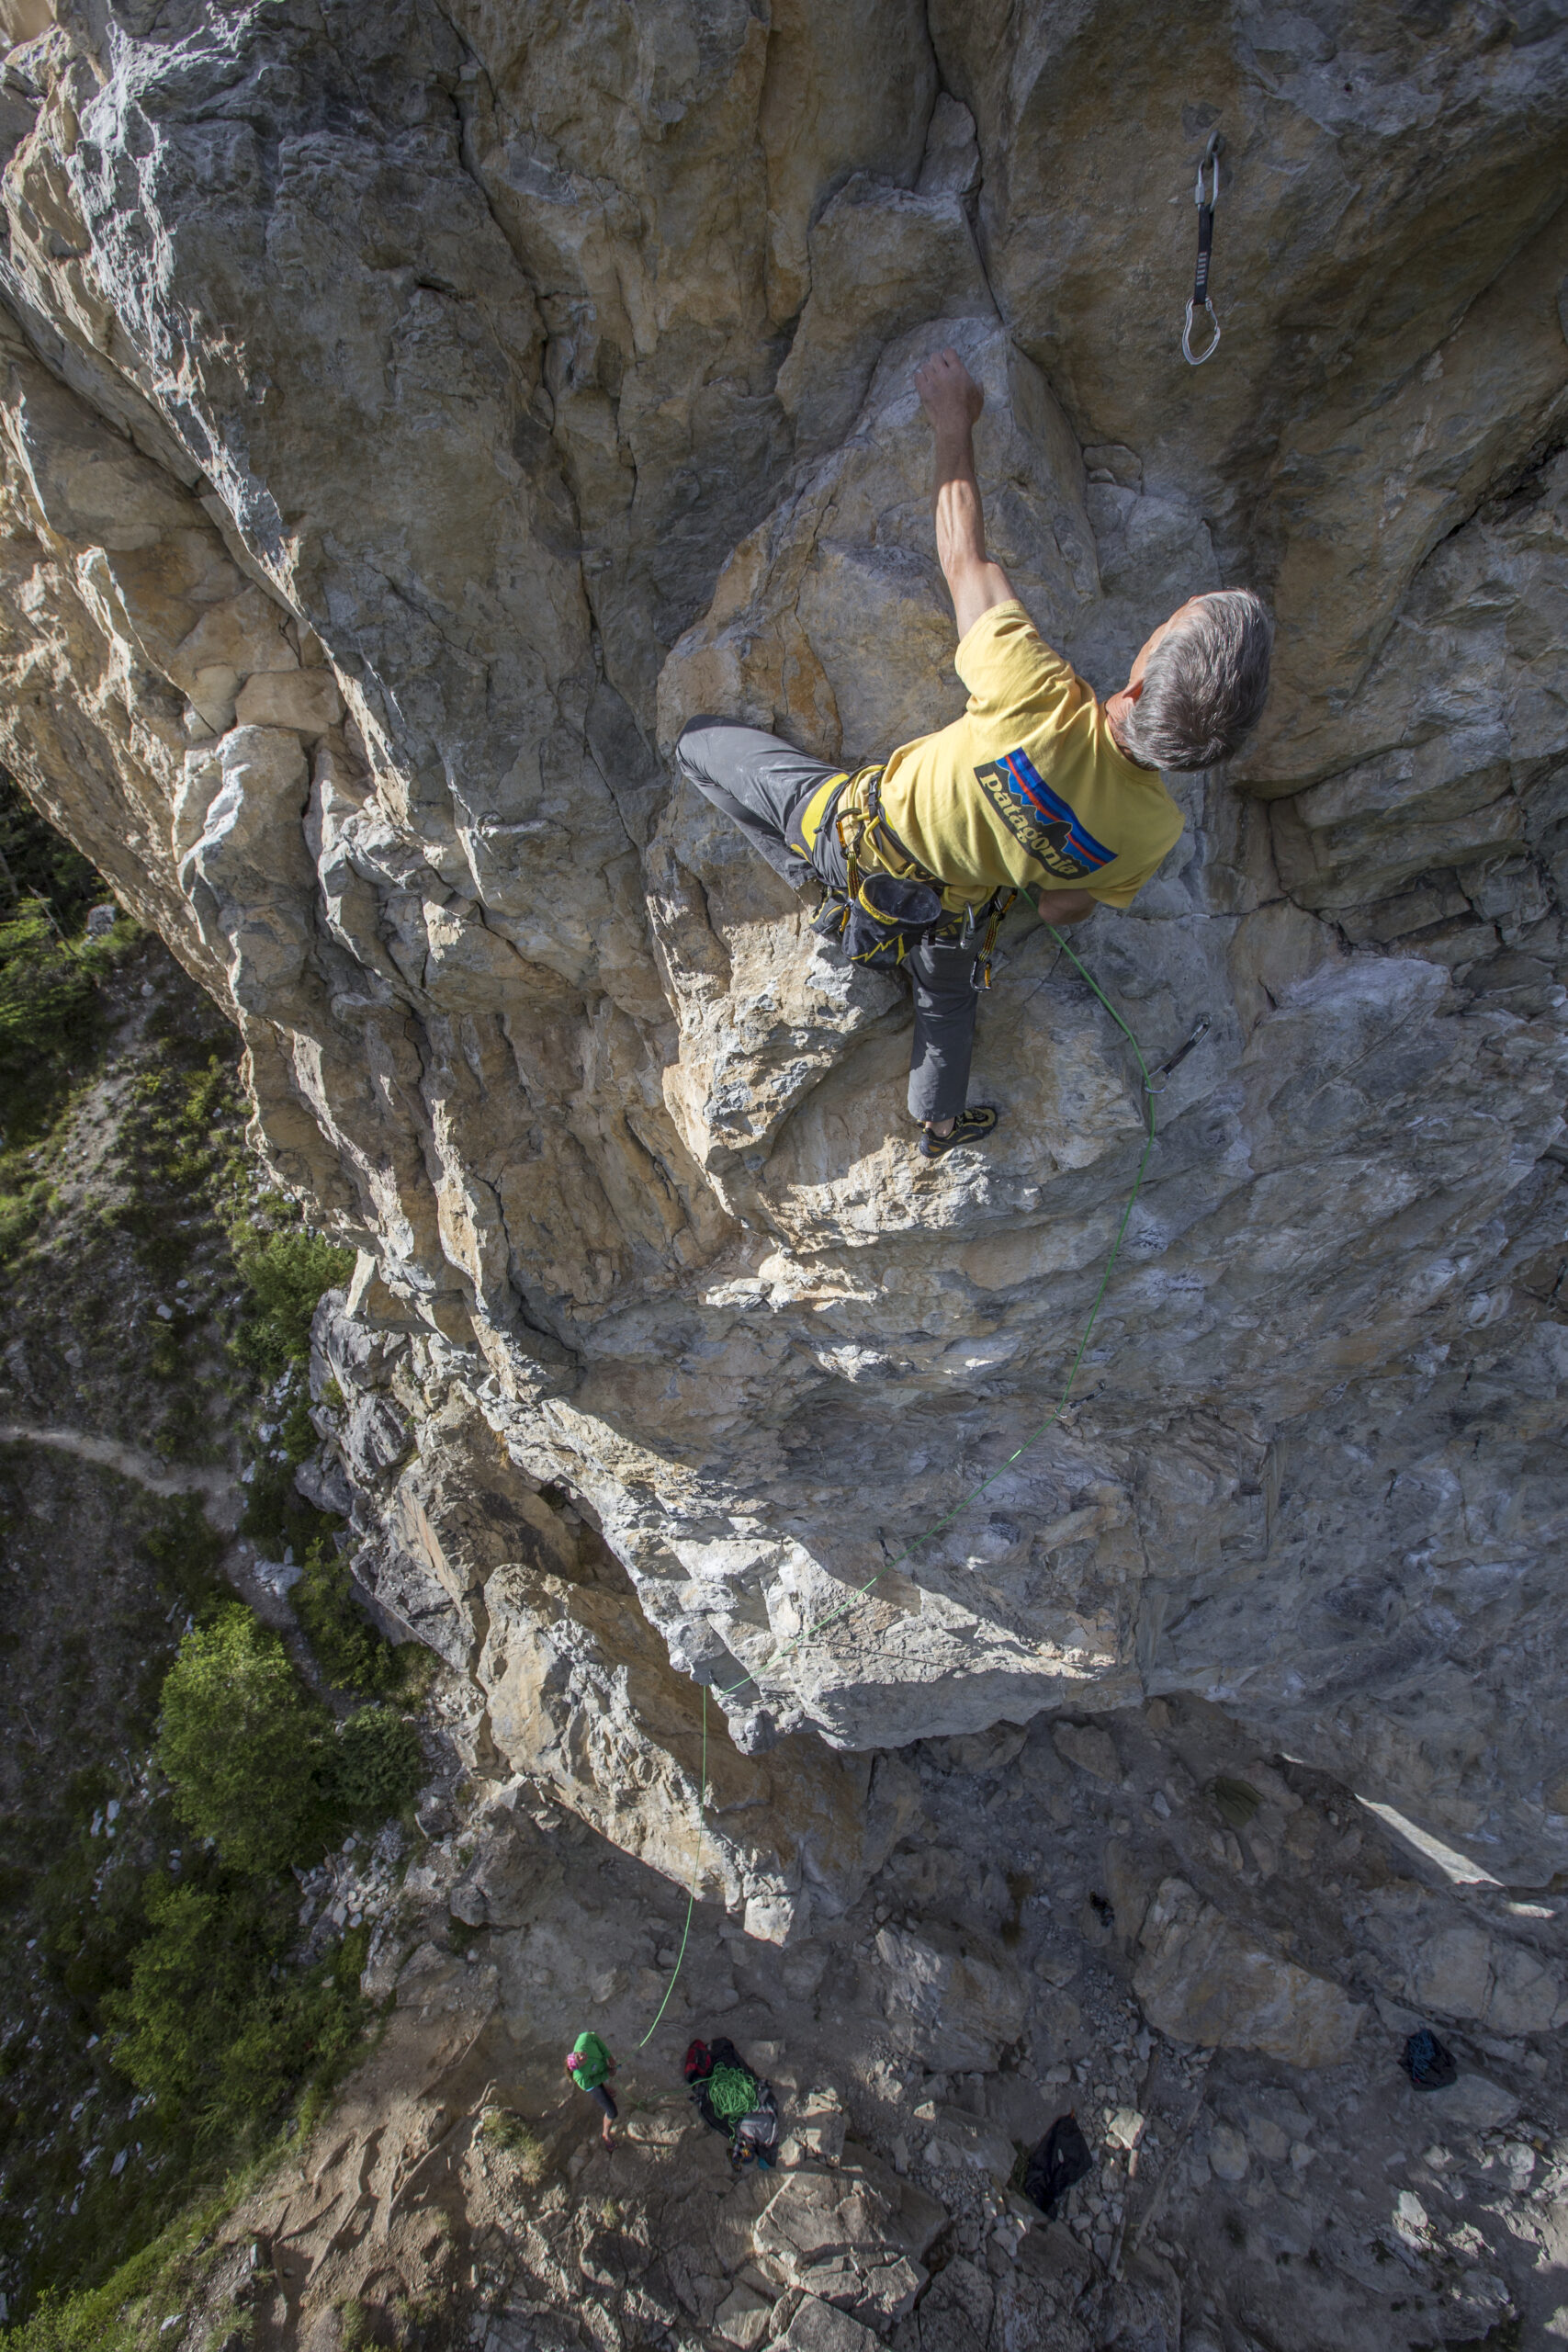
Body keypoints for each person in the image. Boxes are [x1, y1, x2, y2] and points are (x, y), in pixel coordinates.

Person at [675, 347, 1273, 1159]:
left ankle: (814, 880)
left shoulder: (1033, 692)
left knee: (698, 748)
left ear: (1135, 690)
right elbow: (1063, 907)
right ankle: (938, 1126)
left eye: (1168, 626)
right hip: (955, 913)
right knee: (946, 1010)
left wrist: (952, 423)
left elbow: (962, 555)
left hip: (851, 835)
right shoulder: (1148, 834)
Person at [565, 2029, 618, 2149]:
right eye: (580, 2061)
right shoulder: (581, 2078)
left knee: (599, 2078)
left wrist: (609, 2057)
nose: (582, 2056)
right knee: (612, 2111)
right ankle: (605, 2134)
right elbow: (593, 2082)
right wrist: (607, 2074)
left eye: (578, 2055)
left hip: (598, 2070)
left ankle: (605, 2089)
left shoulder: (584, 2040)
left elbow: (595, 2038)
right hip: (593, 2083)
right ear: (579, 2068)